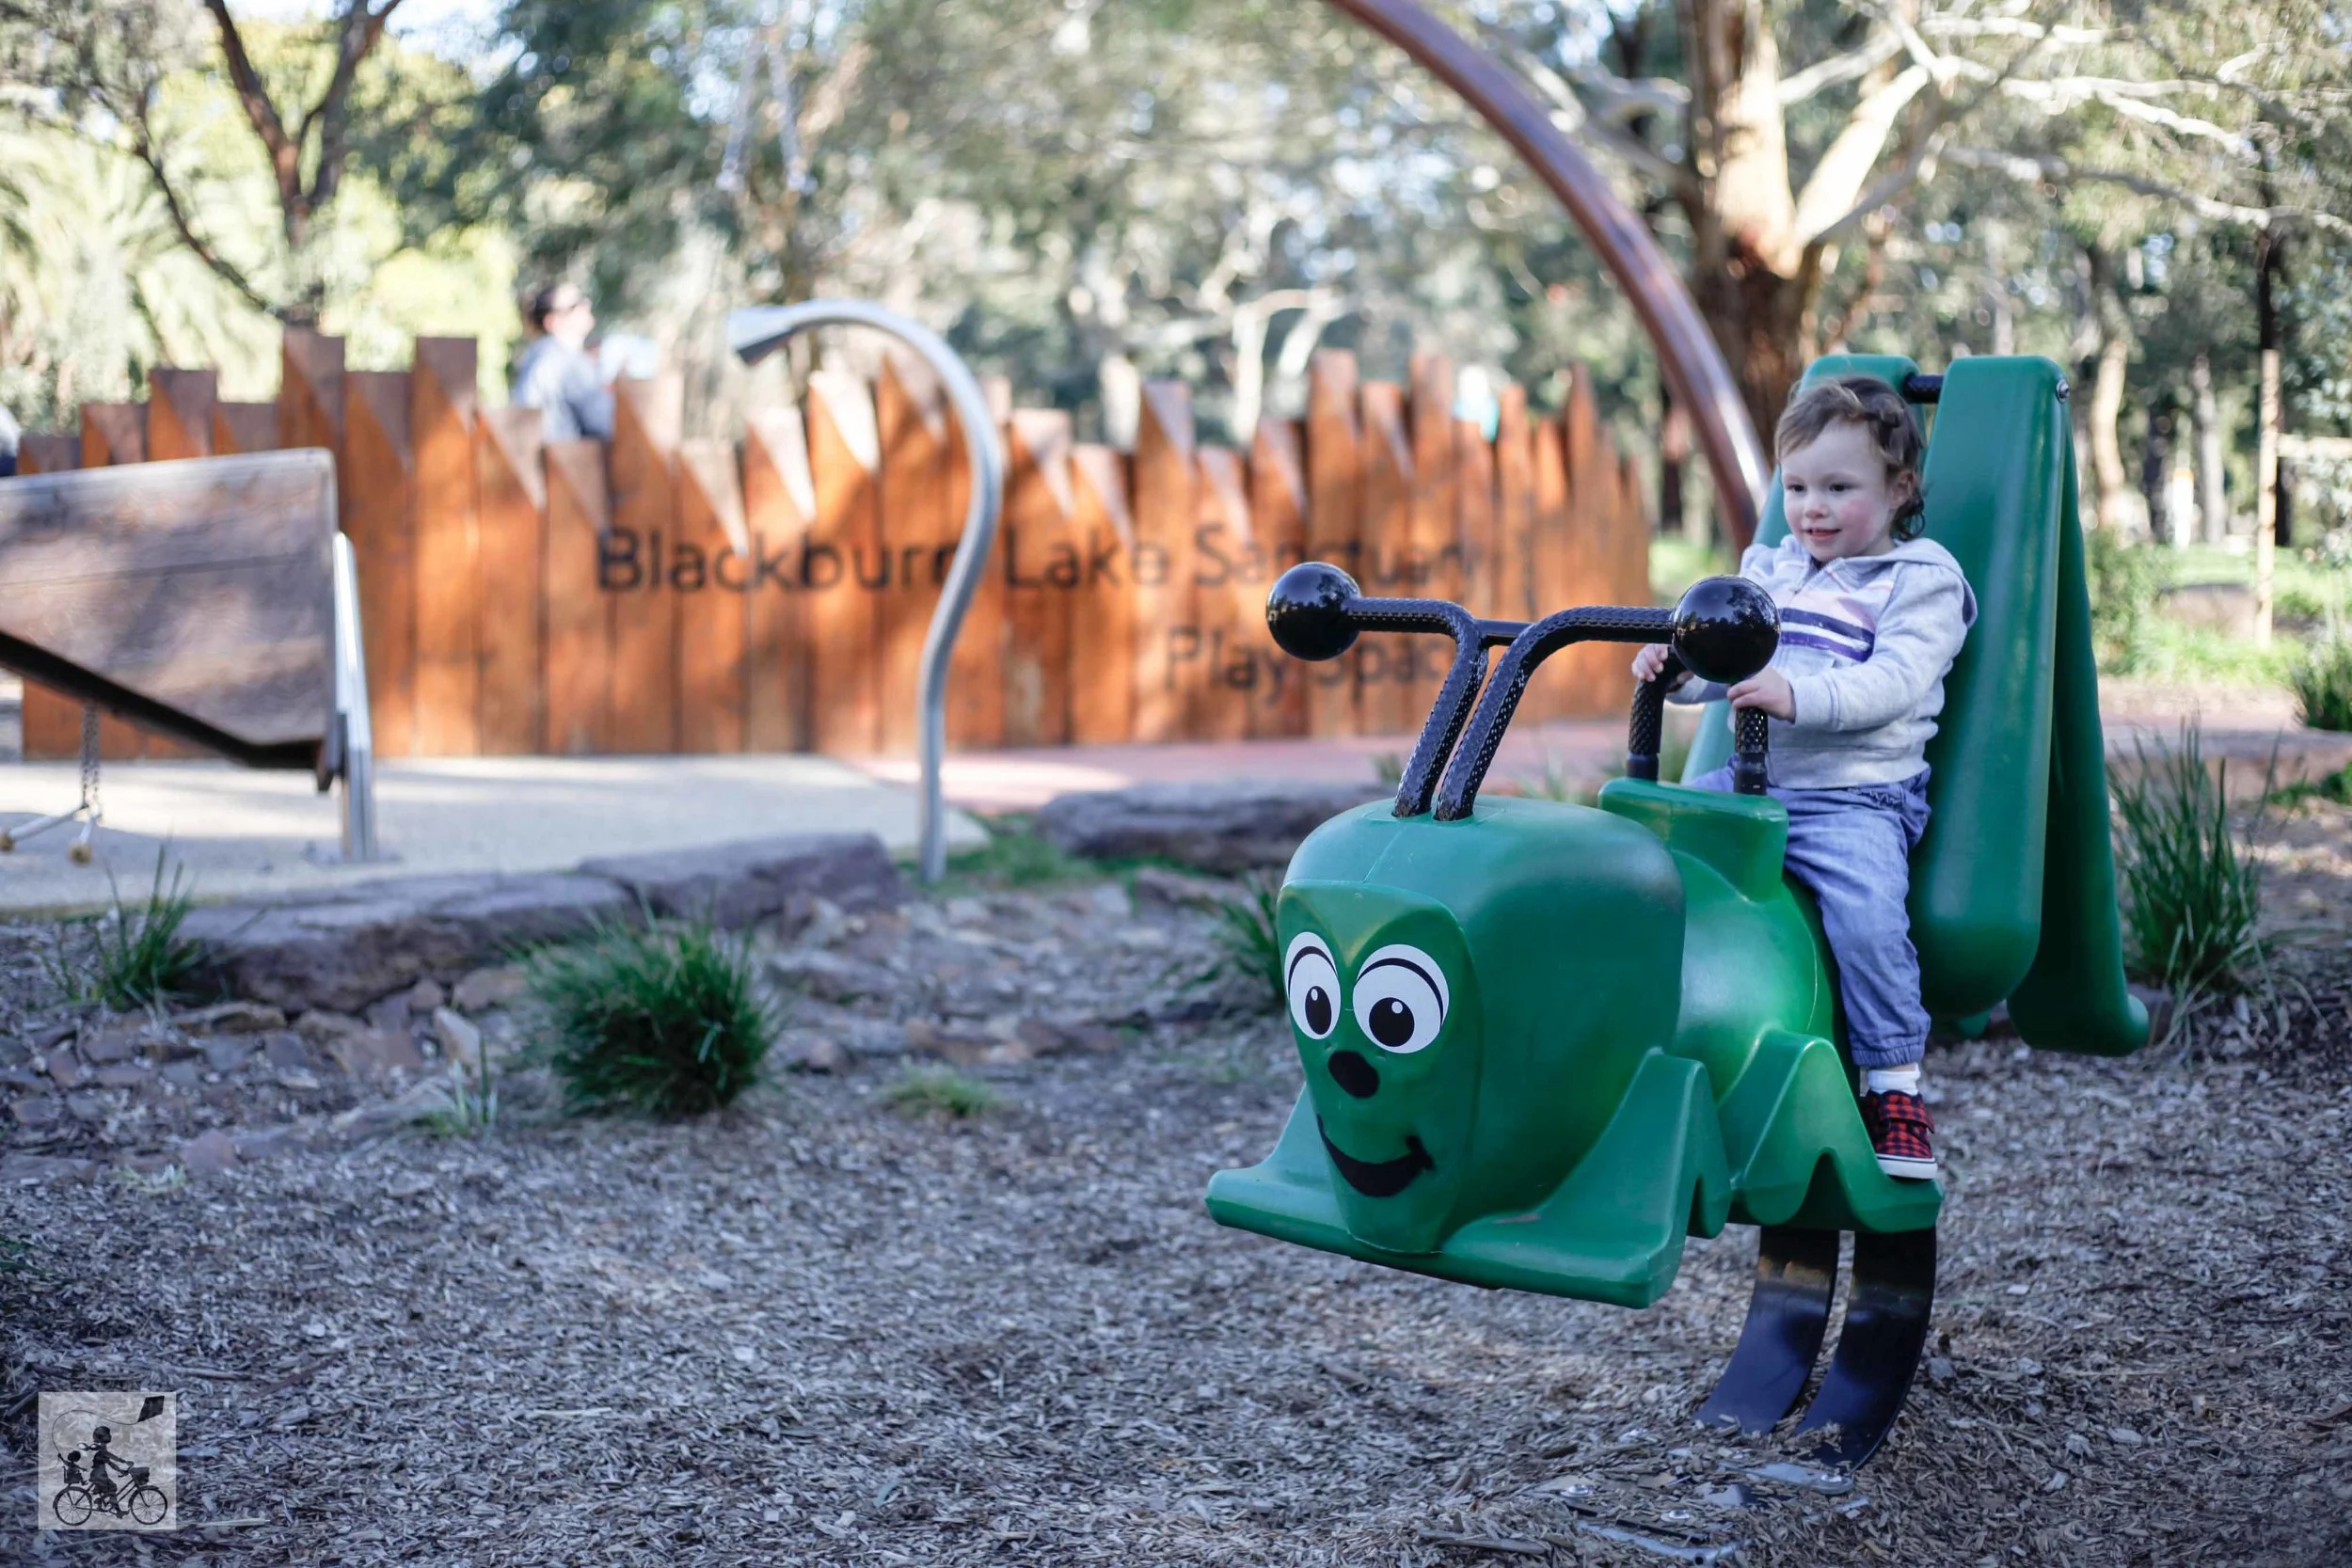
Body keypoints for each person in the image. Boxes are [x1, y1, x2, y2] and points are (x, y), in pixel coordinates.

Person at [1631, 375, 1975, 1181]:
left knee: (1866, 919)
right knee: (1644, 858)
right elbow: (1725, 661)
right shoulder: (1774, 569)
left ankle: (1893, 1085)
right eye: (1797, 487)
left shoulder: (1919, 579)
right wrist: (1677, 671)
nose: (1813, 507)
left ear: (1899, 490)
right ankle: (1649, 1046)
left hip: (1855, 796)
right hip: (1749, 783)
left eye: (1838, 487)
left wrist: (1800, 694)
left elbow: (1893, 684)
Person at [510, 282, 616, 441]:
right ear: (552, 321)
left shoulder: (534, 356)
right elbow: (606, 424)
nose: (587, 305)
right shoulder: (568, 362)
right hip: (567, 461)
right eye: (576, 304)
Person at [85, 1425, 130, 1510]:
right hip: (99, 1475)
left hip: (99, 1474)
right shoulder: (102, 1450)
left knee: (111, 1488)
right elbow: (111, 1457)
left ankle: (114, 1509)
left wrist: (120, 1470)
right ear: (102, 1437)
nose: (110, 1436)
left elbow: (110, 1463)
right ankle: (99, 1501)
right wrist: (124, 1462)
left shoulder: (102, 1449)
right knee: (112, 1488)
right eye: (108, 1434)